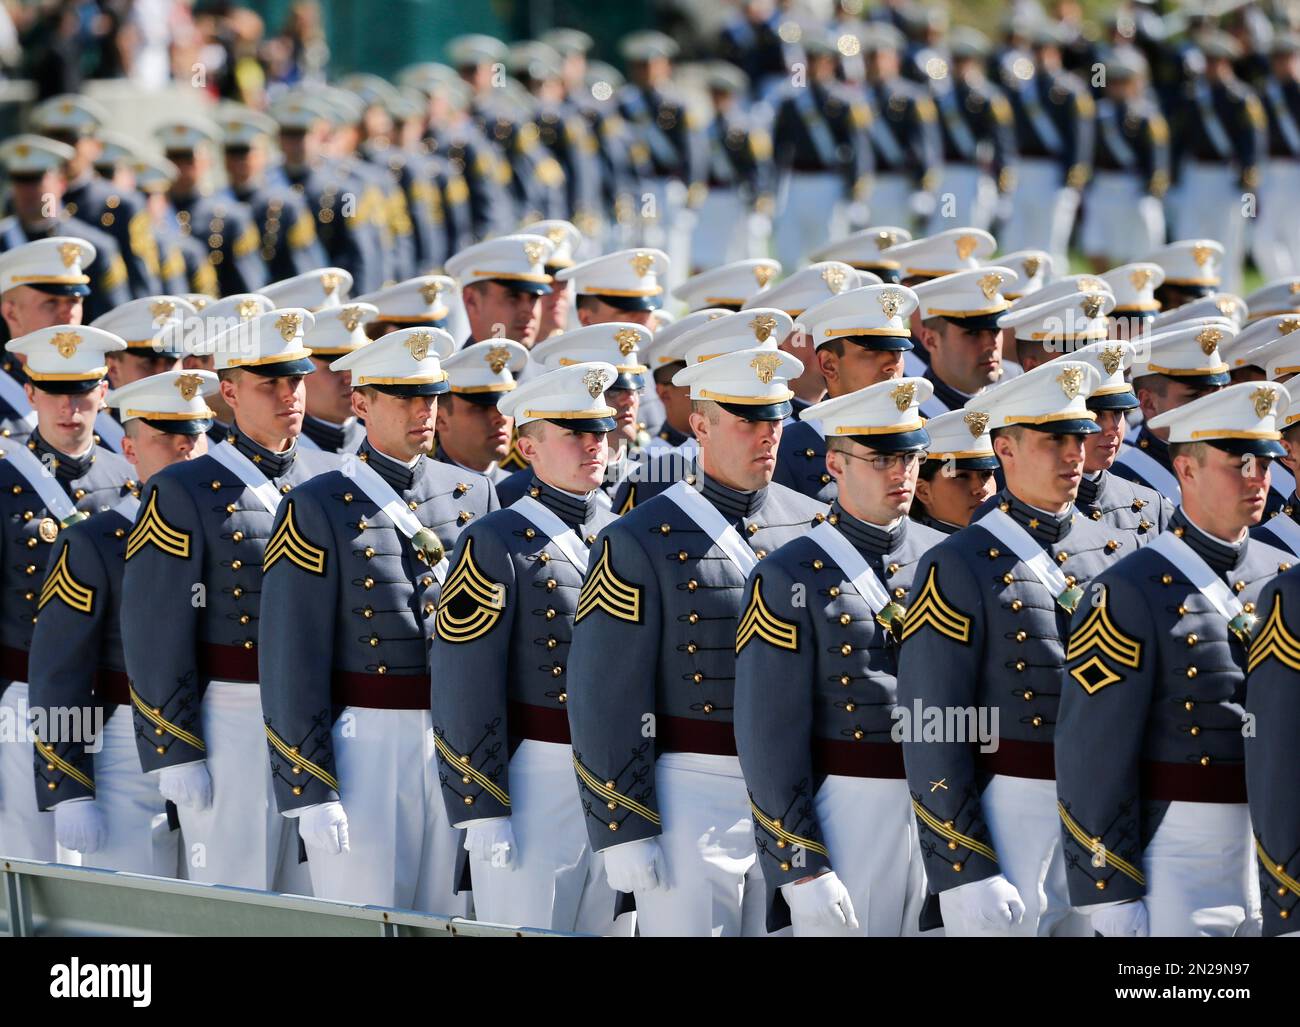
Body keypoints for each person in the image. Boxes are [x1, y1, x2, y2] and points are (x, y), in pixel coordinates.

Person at [566, 342, 827, 937]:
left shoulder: (812, 524)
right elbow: (605, 693)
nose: (767, 435)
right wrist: (622, 824)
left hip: (798, 788)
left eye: (776, 419)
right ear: (701, 425)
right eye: (748, 420)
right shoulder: (637, 537)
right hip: (692, 788)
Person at [258, 325, 496, 912]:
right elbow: (292, 654)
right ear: (361, 402)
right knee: (364, 914)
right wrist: (308, 787)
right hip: (364, 740)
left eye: (432, 396)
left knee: (444, 916)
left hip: (456, 738)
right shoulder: (315, 504)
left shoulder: (473, 494)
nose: (424, 410)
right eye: (403, 396)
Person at [896, 358, 1133, 936]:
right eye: (1054, 439)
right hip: (1010, 806)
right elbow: (934, 719)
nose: (1075, 454)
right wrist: (962, 863)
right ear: (1004, 447)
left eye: (1078, 436)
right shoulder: (958, 561)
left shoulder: (1119, 551)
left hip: (1105, 808)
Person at [1060, 381, 1293, 936]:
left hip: (1274, 844)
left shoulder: (1281, 575)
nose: (1258, 478)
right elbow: (1092, 749)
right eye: (1239, 463)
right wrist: (1108, 889)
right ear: (1185, 470)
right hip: (1174, 849)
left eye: (1264, 463)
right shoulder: (1127, 589)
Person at [120, 306, 338, 890]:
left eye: (296, 380)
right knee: (235, 893)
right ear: (230, 392)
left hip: (323, 711)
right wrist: (174, 748)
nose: (289, 395)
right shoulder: (182, 487)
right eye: (269, 384)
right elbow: (155, 625)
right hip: (234, 713)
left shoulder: (329, 479)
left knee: (314, 899)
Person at [734, 375, 945, 936]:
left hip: (940, 808)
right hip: (845, 804)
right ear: (835, 464)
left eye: (911, 456)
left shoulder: (946, 560)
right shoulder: (787, 572)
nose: (900, 472)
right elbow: (767, 731)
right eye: (880, 458)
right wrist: (799, 864)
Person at [431, 361, 625, 931]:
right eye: (574, 433)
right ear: (527, 446)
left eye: (601, 432)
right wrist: (481, 803)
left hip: (620, 771)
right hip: (535, 768)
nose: (595, 445)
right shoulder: (493, 540)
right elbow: (465, 678)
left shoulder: (626, 533)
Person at [28, 368, 217, 874]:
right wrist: (68, 787)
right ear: (130, 451)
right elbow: (59, 673)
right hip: (127, 749)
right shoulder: (94, 542)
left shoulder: (230, 535)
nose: (185, 452)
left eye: (194, 437)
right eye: (166, 439)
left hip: (222, 734)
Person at [0, 324, 132, 861]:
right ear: (29, 392)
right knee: (33, 857)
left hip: (118, 698)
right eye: (53, 391)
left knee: (121, 862)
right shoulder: (5, 484)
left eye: (81, 390)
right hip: (24, 696)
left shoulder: (133, 478)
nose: (68, 406)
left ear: (104, 390)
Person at [773, 284, 917, 503]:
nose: (892, 364)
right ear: (829, 365)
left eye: (898, 351)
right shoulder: (785, 452)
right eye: (873, 351)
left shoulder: (917, 440)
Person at [29, 94, 162, 300]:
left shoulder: (122, 204)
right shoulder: (23, 200)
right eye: (55, 140)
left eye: (72, 140)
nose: (63, 151)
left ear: (95, 146)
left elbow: (142, 280)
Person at [770, 28, 874, 269]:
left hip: (830, 180)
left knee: (828, 250)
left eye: (823, 60)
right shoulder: (791, 102)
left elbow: (858, 146)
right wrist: (771, 191)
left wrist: (856, 186)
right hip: (796, 181)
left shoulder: (845, 101)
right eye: (813, 60)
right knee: (790, 251)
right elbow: (779, 150)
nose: (818, 66)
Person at [0, 135, 129, 323]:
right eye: (21, 181)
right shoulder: (5, 240)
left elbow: (112, 321)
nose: (28, 191)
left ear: (60, 184)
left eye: (37, 181)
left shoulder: (94, 248)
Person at [1112, 321, 1233, 501]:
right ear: (1148, 403)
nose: (1210, 407)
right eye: (1194, 396)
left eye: (1217, 395)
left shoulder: (1236, 466)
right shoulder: (1120, 481)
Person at [153, 117, 267, 298]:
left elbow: (247, 288)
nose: (180, 167)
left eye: (188, 159)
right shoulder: (151, 212)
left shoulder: (229, 217)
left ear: (206, 162)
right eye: (174, 158)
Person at [0, 237, 97, 442]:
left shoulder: (100, 392)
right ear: (12, 314)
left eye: (73, 301)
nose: (68, 313)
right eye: (51, 302)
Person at [911, 265, 1017, 415]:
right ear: (931, 341)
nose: (991, 344)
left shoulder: (1012, 410)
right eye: (973, 333)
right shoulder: (912, 421)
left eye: (995, 330)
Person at [434, 339, 528, 484]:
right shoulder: (419, 495)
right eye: (481, 408)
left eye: (504, 406)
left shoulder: (523, 490)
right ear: (440, 419)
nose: (501, 418)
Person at [445, 235, 555, 348]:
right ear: (472, 301)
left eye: (534, 297)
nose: (528, 311)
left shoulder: (552, 364)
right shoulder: (452, 366)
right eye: (513, 296)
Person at [909, 408, 999, 534]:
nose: (982, 489)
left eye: (987, 474)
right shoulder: (915, 551)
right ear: (923, 491)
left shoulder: (1012, 536)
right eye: (962, 476)